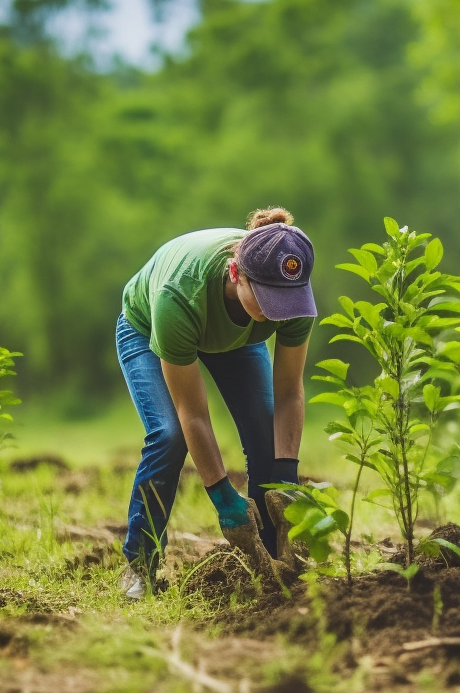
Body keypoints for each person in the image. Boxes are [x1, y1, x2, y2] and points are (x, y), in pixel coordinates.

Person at [116, 208, 315, 599]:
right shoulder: (178, 296)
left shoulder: (291, 299)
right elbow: (193, 414)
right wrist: (222, 494)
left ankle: (274, 560)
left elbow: (290, 392)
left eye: (286, 300)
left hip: (236, 338)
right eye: (267, 299)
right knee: (169, 434)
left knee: (264, 433)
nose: (278, 311)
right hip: (149, 327)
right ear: (237, 274)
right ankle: (140, 565)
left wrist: (286, 478)